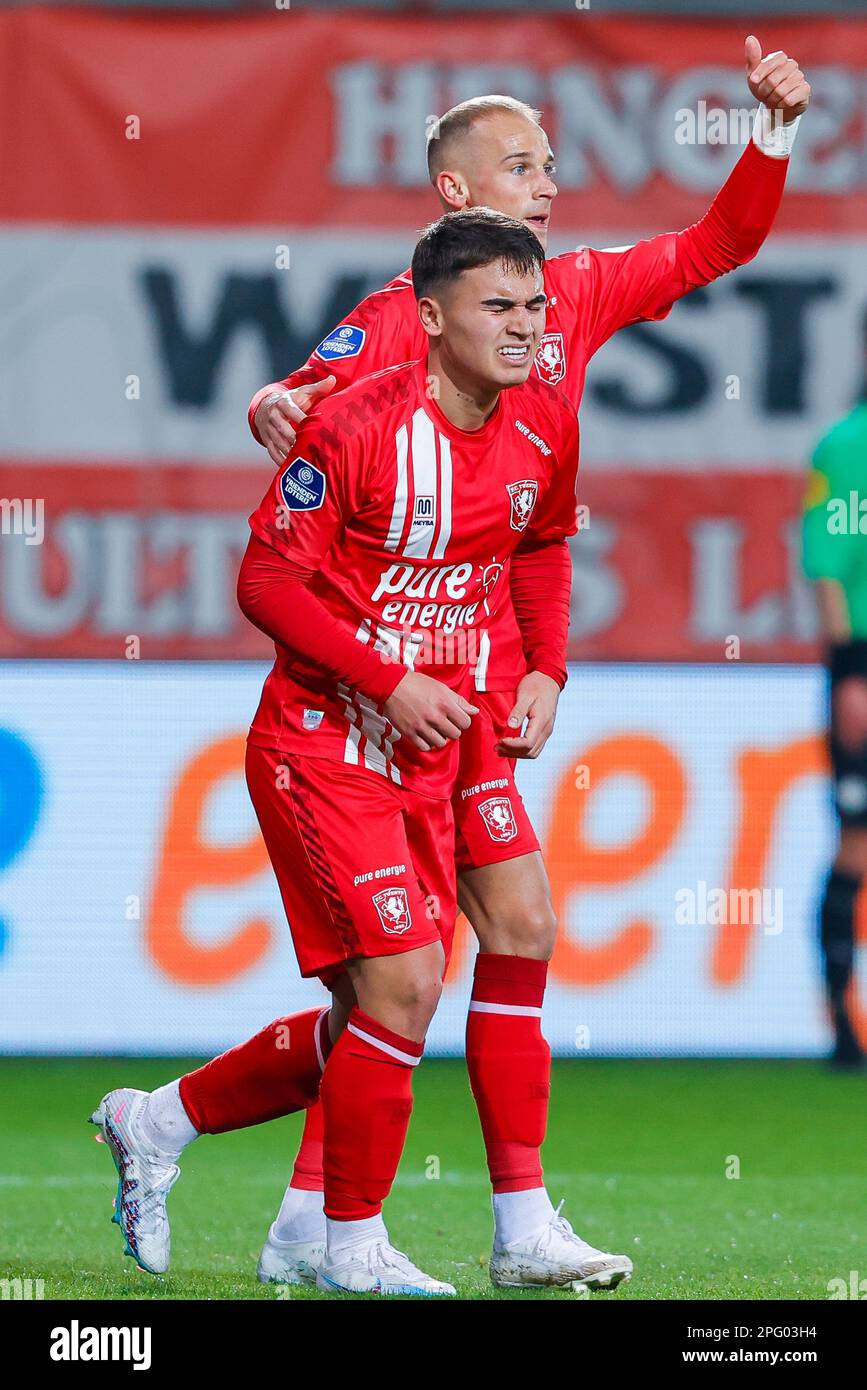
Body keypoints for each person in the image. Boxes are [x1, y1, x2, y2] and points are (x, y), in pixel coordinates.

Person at [92, 35, 811, 1292]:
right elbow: (304, 421)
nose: (548, 179)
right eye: (521, 163)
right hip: (356, 713)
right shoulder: (392, 334)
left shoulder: (567, 303)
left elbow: (707, 260)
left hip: (462, 709)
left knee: (503, 933)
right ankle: (278, 1197)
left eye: (551, 159)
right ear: (455, 195)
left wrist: (772, 134)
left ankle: (485, 1220)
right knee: (396, 988)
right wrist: (283, 396)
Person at [92, 207, 614, 1295]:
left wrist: (543, 669)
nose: (524, 329)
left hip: (450, 742)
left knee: (458, 961)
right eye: (497, 308)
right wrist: (390, 678)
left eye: (533, 308)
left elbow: (545, 546)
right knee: (403, 986)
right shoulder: (358, 427)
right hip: (327, 745)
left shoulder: (544, 426)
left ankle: (174, 1129)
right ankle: (347, 1244)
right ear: (430, 317)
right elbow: (266, 582)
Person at [802, 324, 867, 1069]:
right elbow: (825, 564)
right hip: (863, 665)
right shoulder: (846, 446)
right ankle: (840, 1029)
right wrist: (849, 672)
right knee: (855, 841)